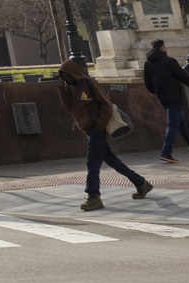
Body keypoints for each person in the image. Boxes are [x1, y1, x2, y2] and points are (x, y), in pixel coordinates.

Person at [57, 56, 152, 210]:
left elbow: (106, 105)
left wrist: (99, 126)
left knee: (92, 162)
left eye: (67, 76)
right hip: (88, 129)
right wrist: (62, 88)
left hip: (96, 128)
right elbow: (68, 106)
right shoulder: (70, 88)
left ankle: (93, 196)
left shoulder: (89, 82)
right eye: (64, 77)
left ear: (73, 73)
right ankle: (141, 183)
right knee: (112, 160)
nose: (66, 79)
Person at [142, 40, 189, 162]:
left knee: (181, 125)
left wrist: (156, 91)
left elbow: (147, 82)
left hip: (162, 97)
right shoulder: (169, 61)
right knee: (173, 124)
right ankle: (166, 152)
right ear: (162, 47)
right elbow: (182, 76)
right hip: (173, 96)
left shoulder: (148, 63)